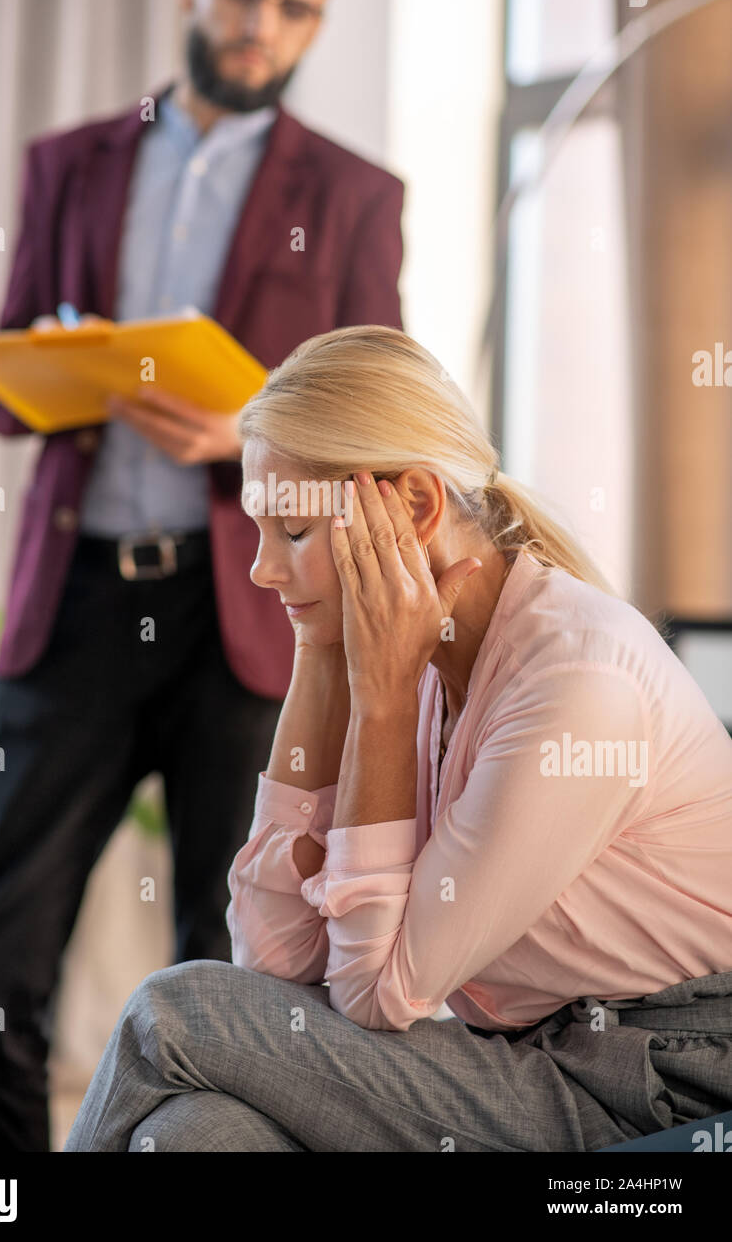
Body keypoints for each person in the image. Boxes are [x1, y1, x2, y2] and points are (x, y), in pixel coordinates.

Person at [0, 0, 405, 1153]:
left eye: (294, 7)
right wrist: (56, 366)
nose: (263, 23)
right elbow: (1, 395)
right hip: (82, 599)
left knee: (224, 962)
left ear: (316, 24)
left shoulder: (356, 195)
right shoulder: (70, 162)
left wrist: (252, 432)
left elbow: (377, 420)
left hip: (249, 617)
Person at [63, 325, 732, 1153]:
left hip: (655, 1081)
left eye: (296, 533)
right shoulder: (411, 649)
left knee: (174, 1011)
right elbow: (275, 959)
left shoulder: (575, 685)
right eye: (260, 531)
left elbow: (380, 993)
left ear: (413, 506)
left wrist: (376, 702)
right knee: (200, 1131)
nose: (260, 570)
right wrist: (321, 655)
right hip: (527, 1058)